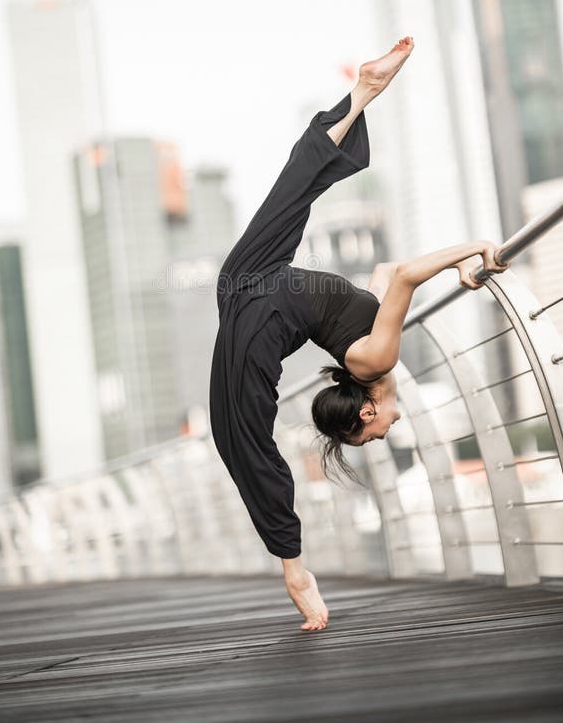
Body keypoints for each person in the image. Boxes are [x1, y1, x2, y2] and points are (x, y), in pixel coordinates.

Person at [209, 37, 509, 632]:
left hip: (261, 298)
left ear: (366, 409)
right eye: (372, 439)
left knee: (240, 436)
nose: (383, 434)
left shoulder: (375, 359)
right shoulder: (370, 353)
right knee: (294, 185)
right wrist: (463, 258)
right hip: (251, 284)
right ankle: (358, 96)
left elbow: (394, 275)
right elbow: (391, 278)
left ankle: (295, 570)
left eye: (368, 437)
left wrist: (465, 258)